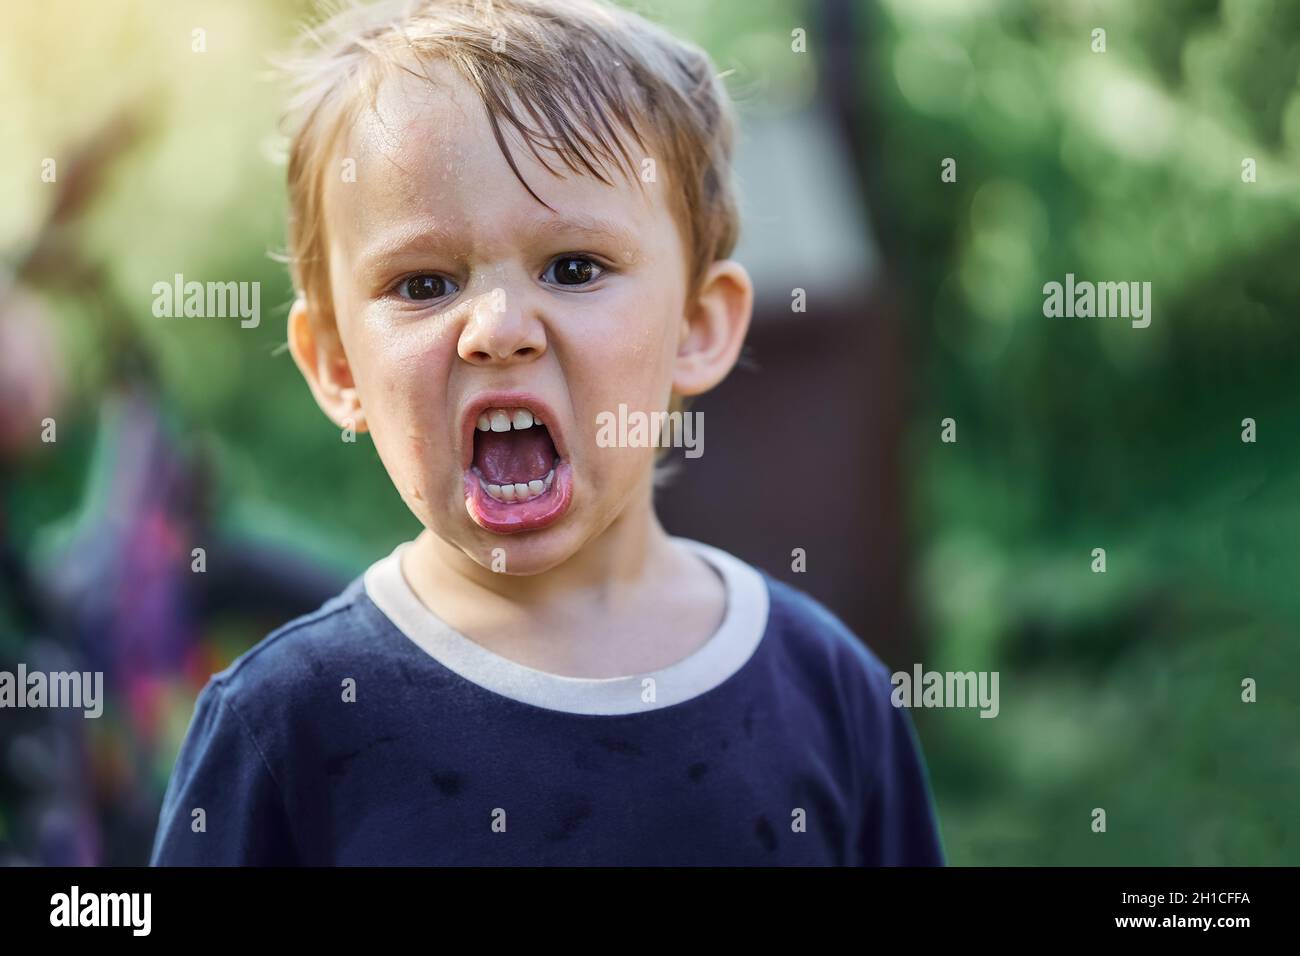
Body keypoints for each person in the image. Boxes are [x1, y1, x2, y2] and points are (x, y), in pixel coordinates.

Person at [150, 0, 945, 865]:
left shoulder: (830, 696)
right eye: (422, 284)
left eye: (574, 268)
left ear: (698, 327)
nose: (497, 327)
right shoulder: (286, 727)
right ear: (338, 362)